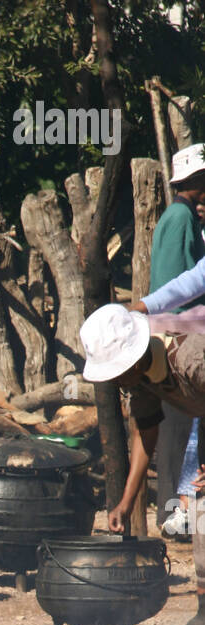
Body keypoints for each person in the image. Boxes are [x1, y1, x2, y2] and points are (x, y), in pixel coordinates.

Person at [80, 302, 205, 625]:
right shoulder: (140, 378)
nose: (116, 381)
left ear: (133, 361)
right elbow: (146, 432)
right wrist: (125, 501)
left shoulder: (193, 357)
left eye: (116, 372)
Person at [130, 144, 205, 538]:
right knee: (179, 432)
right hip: (182, 338)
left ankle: (182, 510)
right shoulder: (180, 219)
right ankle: (176, 512)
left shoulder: (183, 217)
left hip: (184, 334)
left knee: (183, 433)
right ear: (195, 182)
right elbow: (185, 282)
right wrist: (175, 335)